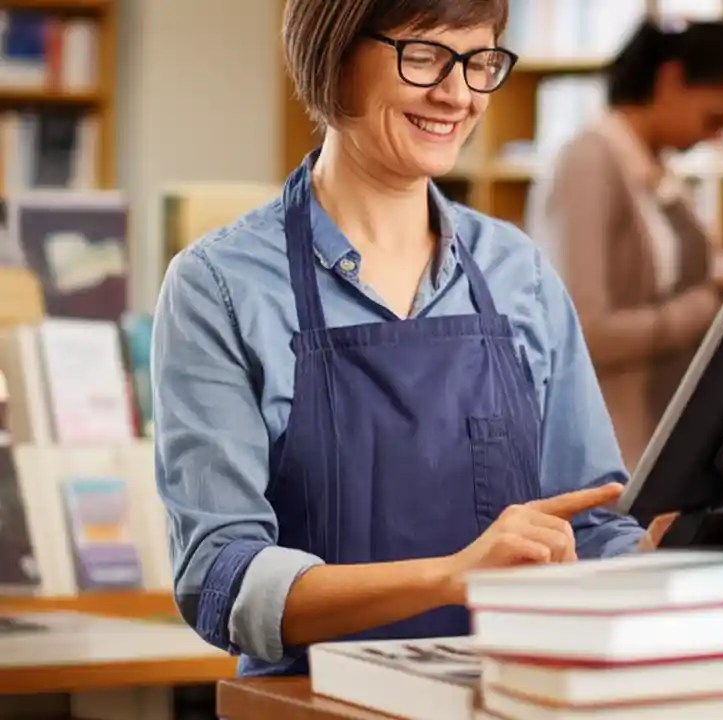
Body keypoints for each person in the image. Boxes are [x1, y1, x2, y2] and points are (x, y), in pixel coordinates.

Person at [151, 0, 666, 678]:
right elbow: (223, 579)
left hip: (511, 696)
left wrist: (660, 557)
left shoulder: (520, 274)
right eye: (424, 56)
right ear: (332, 54)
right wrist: (450, 577)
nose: (457, 94)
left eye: (480, 62)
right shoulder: (219, 287)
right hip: (314, 705)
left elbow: (586, 523)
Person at [541, 19, 723, 471]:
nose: (715, 137)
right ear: (670, 80)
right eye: (715, 118)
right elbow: (586, 331)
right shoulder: (589, 163)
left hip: (656, 427)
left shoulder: (654, 170)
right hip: (609, 439)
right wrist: (709, 305)